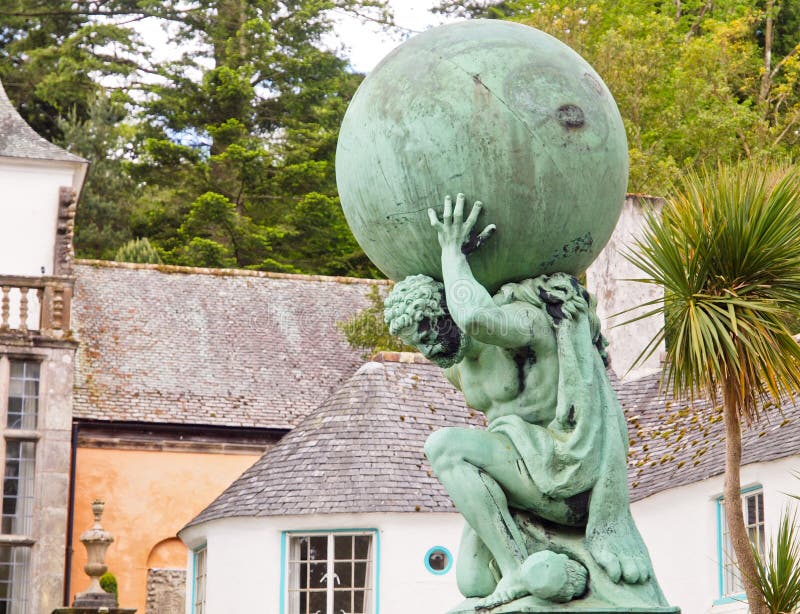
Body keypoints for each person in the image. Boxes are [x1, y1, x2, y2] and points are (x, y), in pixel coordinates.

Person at [384, 194, 654, 609]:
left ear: (447, 311)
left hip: (564, 469)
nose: (428, 347)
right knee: (472, 582)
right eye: (416, 342)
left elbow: (476, 318)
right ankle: (540, 572)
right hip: (520, 477)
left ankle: (517, 573)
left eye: (428, 330)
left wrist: (451, 252)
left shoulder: (526, 322)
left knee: (444, 447)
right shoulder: (457, 363)